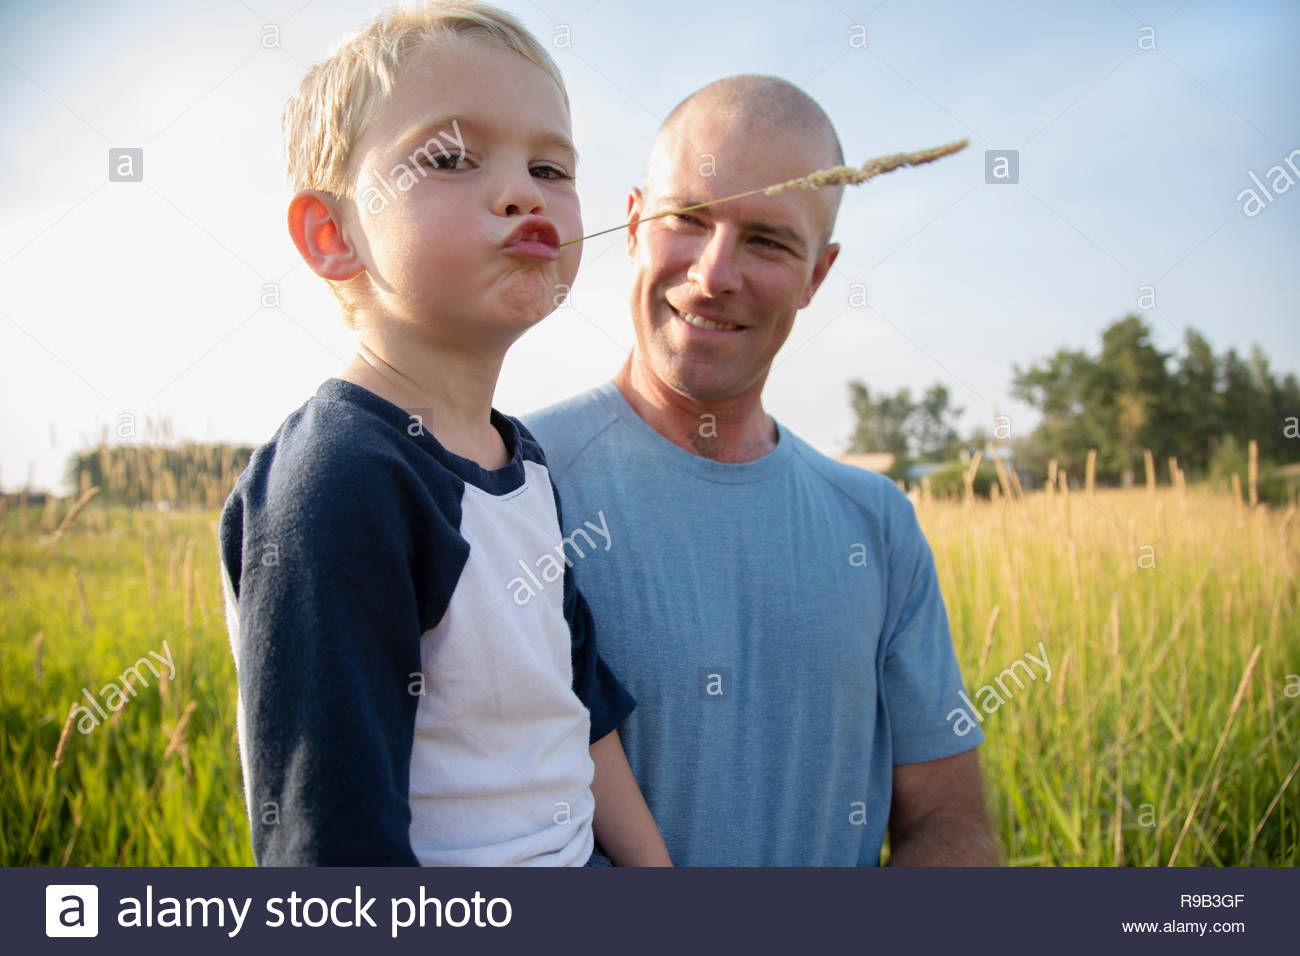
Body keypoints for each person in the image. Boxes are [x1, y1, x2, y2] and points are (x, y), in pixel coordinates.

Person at [218, 0, 670, 867]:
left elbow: (576, 711)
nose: (521, 192)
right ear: (332, 234)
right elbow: (329, 846)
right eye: (451, 158)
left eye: (550, 166)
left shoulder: (522, 462)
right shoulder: (340, 476)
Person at [524, 75, 997, 866]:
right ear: (635, 223)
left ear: (817, 274)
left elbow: (952, 822)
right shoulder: (509, 485)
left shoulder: (875, 523)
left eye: (768, 240)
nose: (713, 276)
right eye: (689, 219)